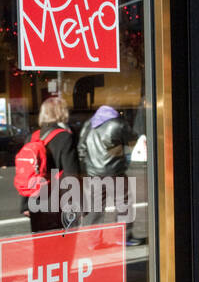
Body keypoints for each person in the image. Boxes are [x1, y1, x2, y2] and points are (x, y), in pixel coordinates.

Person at [20, 94, 80, 233]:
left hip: (35, 201)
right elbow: (71, 174)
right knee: (64, 248)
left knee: (41, 249)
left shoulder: (32, 137)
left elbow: (27, 172)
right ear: (62, 112)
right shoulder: (65, 137)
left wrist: (25, 205)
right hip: (59, 202)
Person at [77, 103, 137, 234]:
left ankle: (94, 240)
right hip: (115, 172)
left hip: (94, 173)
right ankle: (124, 237)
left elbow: (81, 149)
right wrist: (124, 158)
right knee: (123, 204)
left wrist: (86, 169)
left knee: (96, 207)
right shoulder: (118, 124)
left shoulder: (89, 124)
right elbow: (133, 140)